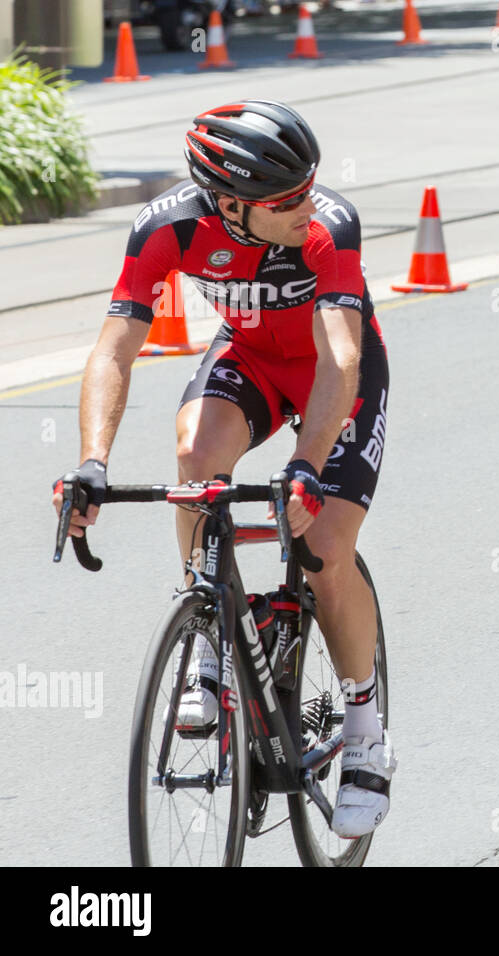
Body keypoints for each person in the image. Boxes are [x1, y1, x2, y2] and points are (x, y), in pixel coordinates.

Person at [50, 100, 395, 838]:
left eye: (309, 186)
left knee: (326, 547)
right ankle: (207, 627)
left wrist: (306, 467)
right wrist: (91, 462)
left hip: (337, 374)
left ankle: (366, 730)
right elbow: (114, 349)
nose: (307, 205)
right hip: (252, 363)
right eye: (286, 199)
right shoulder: (170, 227)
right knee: (193, 458)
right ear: (232, 205)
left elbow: (340, 357)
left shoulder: (330, 224)